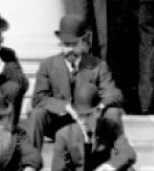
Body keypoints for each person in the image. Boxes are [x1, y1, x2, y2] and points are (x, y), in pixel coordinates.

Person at [23, 17, 123, 147]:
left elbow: (114, 93)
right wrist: (65, 107)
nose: (70, 49)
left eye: (74, 44)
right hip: (58, 122)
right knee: (37, 113)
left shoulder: (98, 65)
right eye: (66, 45)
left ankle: (111, 159)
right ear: (60, 44)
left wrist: (98, 108)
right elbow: (39, 98)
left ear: (83, 42)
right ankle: (30, 163)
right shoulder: (47, 65)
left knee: (113, 112)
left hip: (88, 123)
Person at [43, 83, 135, 171]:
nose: (83, 121)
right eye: (79, 115)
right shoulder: (63, 134)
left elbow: (129, 153)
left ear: (98, 111)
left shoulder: (111, 127)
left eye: (88, 115)